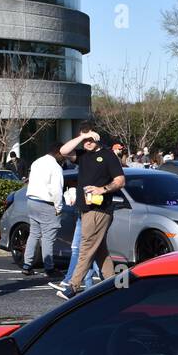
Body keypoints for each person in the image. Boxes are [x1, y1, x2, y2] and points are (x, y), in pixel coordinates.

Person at [50, 123, 124, 297]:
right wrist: (82, 137)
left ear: (97, 137)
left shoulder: (108, 156)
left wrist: (102, 189)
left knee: (86, 248)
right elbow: (64, 151)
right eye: (85, 140)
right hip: (84, 210)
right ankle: (113, 286)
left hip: (99, 210)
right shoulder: (83, 155)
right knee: (100, 251)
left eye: (90, 139)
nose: (87, 143)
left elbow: (120, 180)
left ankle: (72, 287)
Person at [20, 139, 64, 277]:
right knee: (48, 237)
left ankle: (27, 265)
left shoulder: (37, 162)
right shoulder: (56, 167)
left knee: (34, 234)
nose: (65, 158)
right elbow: (57, 190)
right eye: (64, 155)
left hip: (32, 201)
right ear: (58, 152)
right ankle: (49, 267)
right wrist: (59, 206)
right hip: (46, 203)